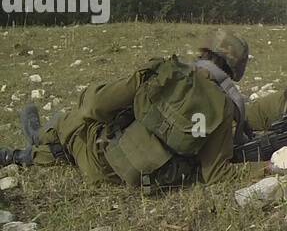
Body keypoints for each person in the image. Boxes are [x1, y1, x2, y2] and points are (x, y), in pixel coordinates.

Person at [0, 29, 251, 189]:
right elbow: (216, 173)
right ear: (236, 69)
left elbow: (97, 105)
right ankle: (27, 152)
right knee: (70, 144)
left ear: (205, 51)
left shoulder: (166, 72)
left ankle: (29, 145)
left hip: (102, 159)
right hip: (143, 177)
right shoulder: (227, 105)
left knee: (71, 122)